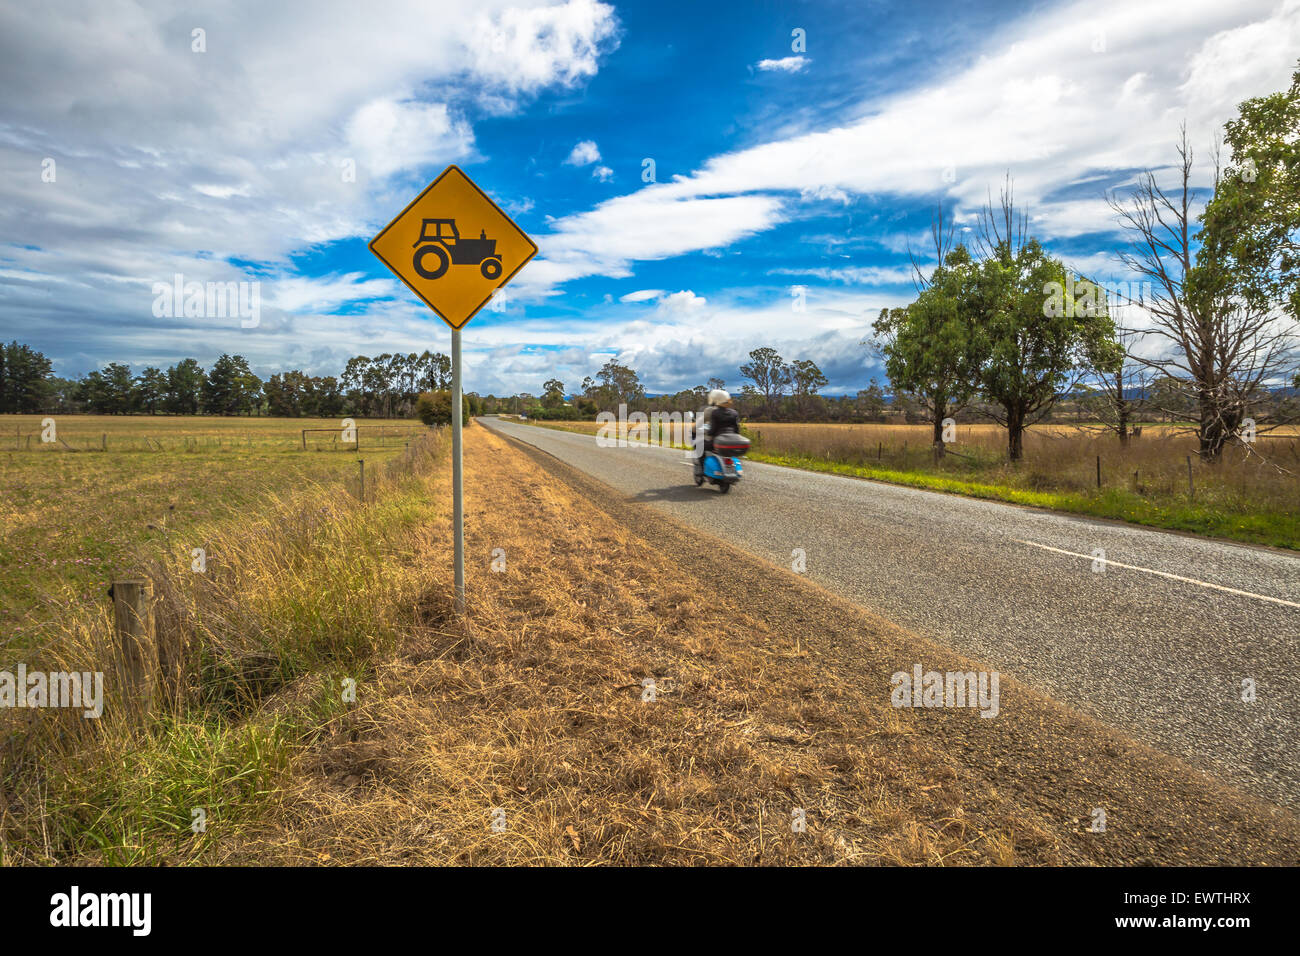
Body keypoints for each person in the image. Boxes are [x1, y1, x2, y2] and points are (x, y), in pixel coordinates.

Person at [693, 389, 740, 481]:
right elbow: (737, 430)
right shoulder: (734, 412)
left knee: (699, 446)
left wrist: (700, 431)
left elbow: (711, 430)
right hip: (732, 442)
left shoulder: (711, 411)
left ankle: (702, 470)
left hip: (718, 441)